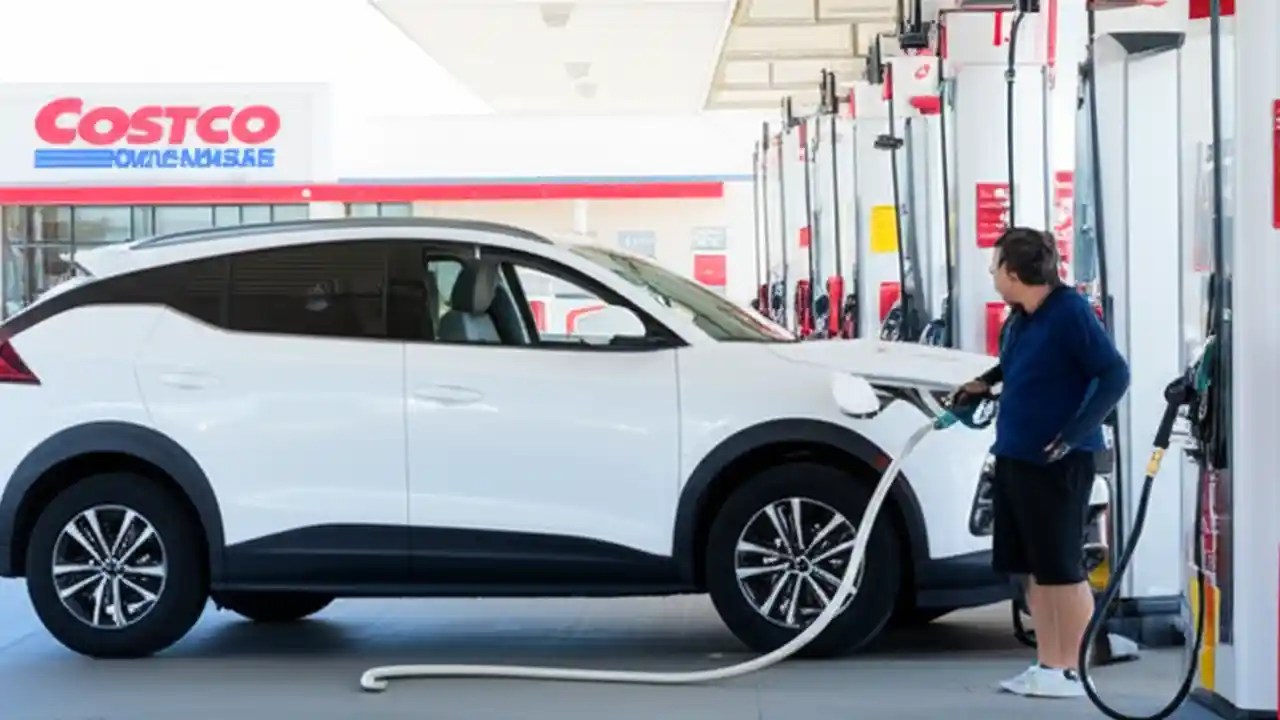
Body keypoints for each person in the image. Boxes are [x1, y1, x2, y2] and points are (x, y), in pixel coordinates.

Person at [954, 226, 1130, 699]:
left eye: (994, 269)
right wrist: (984, 382)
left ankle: (1075, 670)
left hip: (1059, 462)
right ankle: (1048, 665)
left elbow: (1114, 374)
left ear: (1013, 273)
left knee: (1062, 567)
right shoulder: (1020, 318)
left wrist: (1073, 435)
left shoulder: (1069, 313)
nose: (991, 276)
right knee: (1031, 567)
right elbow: (1016, 368)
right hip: (1015, 455)